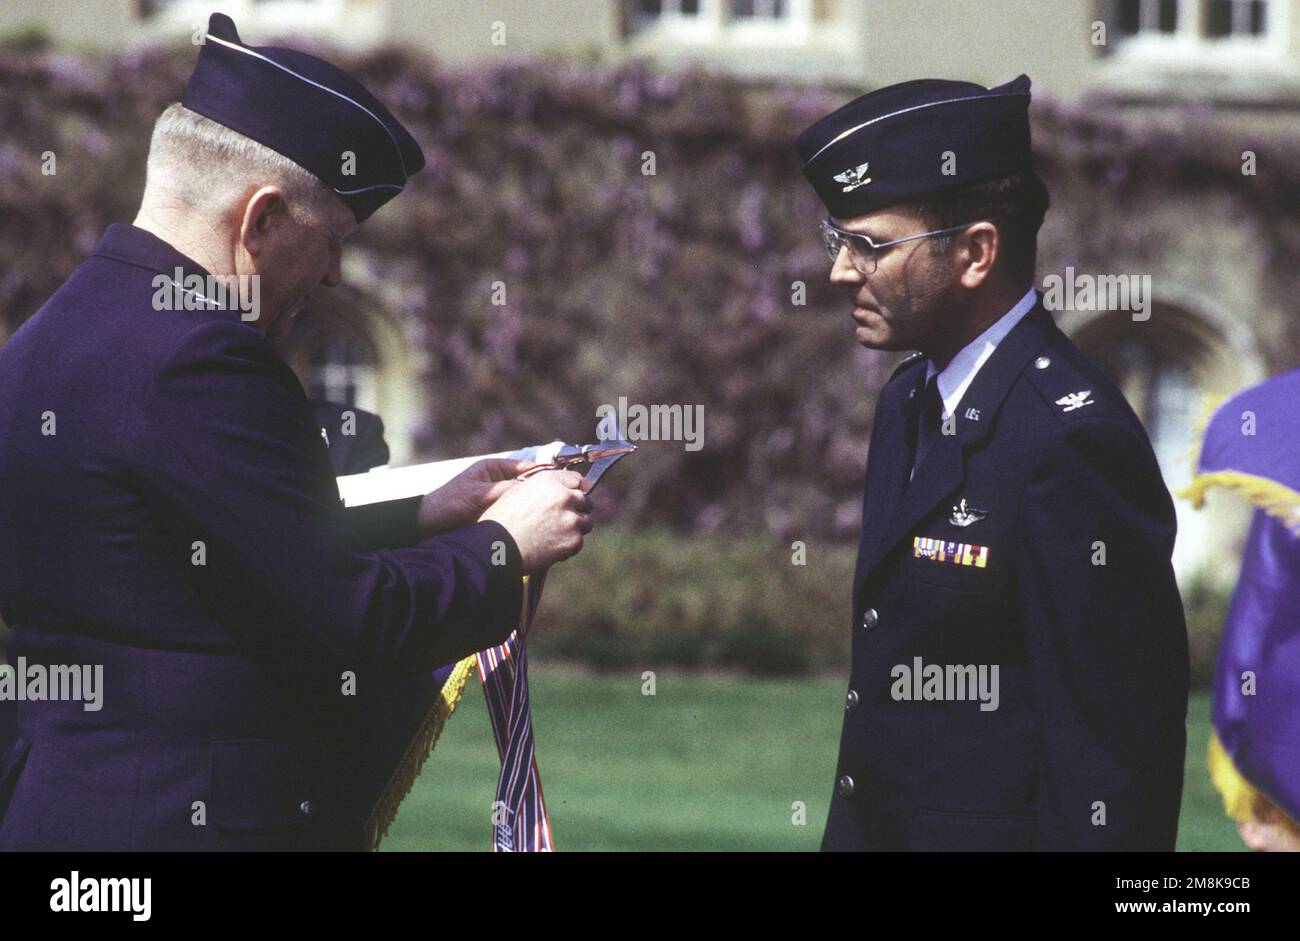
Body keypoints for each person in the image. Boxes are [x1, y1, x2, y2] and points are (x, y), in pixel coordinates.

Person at [0, 13, 591, 850]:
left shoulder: (50, 335)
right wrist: (505, 545)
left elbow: (202, 556)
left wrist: (423, 512)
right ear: (262, 219)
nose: (334, 276)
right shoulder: (204, 355)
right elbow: (348, 617)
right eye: (334, 241)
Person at [795, 75, 1189, 850]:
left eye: (869, 244)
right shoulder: (908, 403)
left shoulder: (1070, 442)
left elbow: (1116, 761)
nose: (842, 269)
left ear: (976, 252)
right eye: (836, 239)